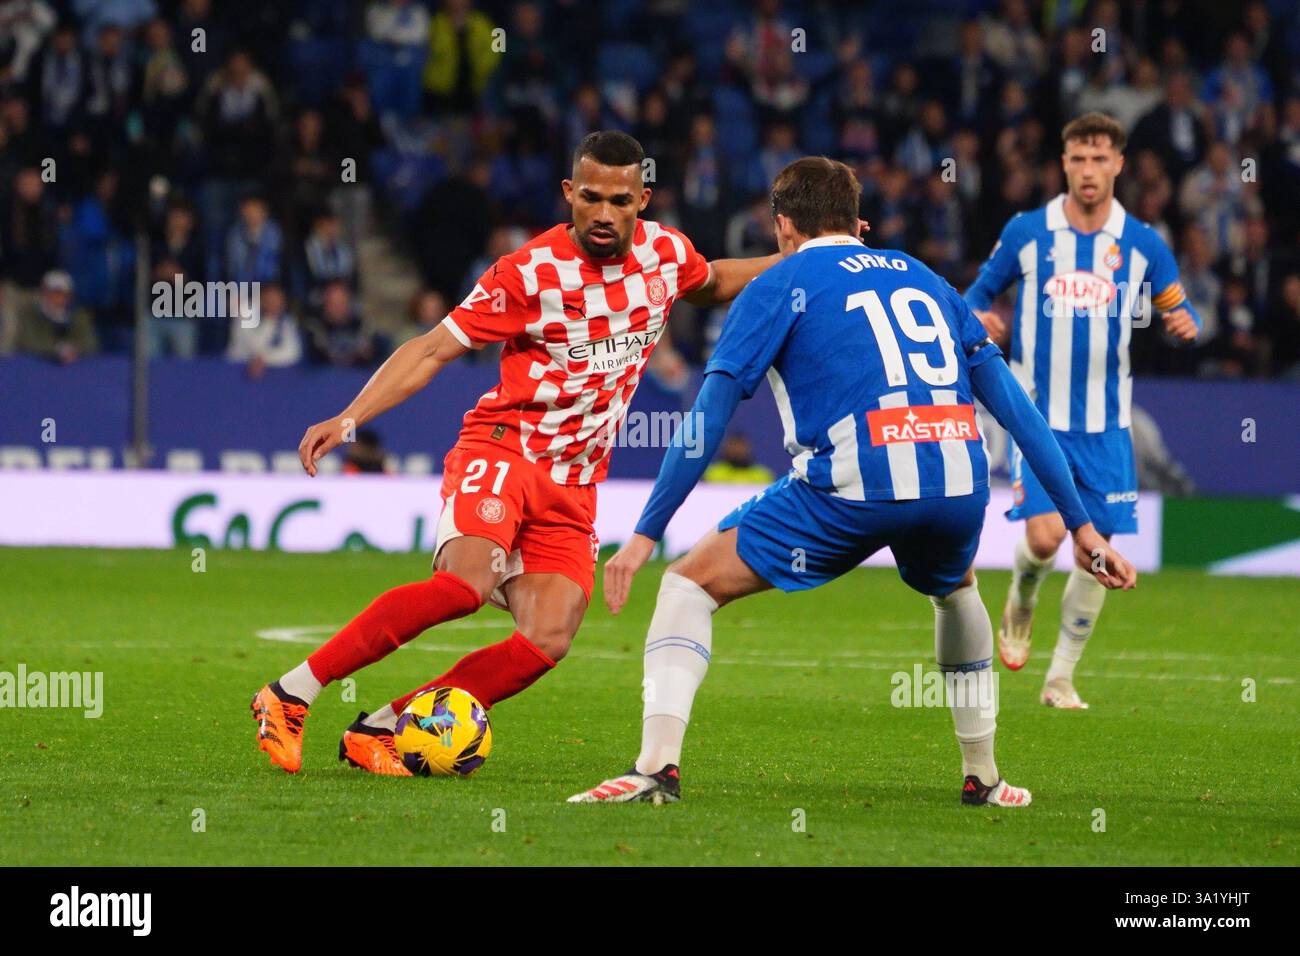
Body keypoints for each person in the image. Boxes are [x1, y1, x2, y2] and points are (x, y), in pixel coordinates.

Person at [569, 157, 1135, 807]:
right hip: (957, 485)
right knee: (956, 590)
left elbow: (707, 421)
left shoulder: (780, 283)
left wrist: (646, 532)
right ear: (854, 221)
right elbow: (1021, 415)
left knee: (686, 585)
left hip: (851, 489)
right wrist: (1084, 529)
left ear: (783, 226)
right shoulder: (925, 278)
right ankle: (984, 775)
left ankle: (654, 772)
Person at [250, 131, 789, 775]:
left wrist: (805, 256)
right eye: (590, 196)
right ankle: (291, 692)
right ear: (569, 193)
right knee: (463, 587)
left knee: (548, 637)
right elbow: (430, 349)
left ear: (642, 200)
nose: (603, 212)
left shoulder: (667, 257)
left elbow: (718, 279)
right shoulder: (528, 272)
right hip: (505, 449)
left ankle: (387, 727)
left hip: (576, 481)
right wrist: (351, 415)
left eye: (620, 199)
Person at [963, 112, 1198, 709]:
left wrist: (1182, 321)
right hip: (1037, 417)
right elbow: (973, 298)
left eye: (1099, 159)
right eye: (1077, 159)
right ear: (1063, 165)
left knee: (1095, 556)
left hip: (1108, 428)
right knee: (1044, 540)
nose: (1088, 171)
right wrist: (982, 317)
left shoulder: (1144, 244)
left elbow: (1179, 308)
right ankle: (1021, 598)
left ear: (1119, 164)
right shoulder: (1027, 232)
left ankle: (1060, 678)